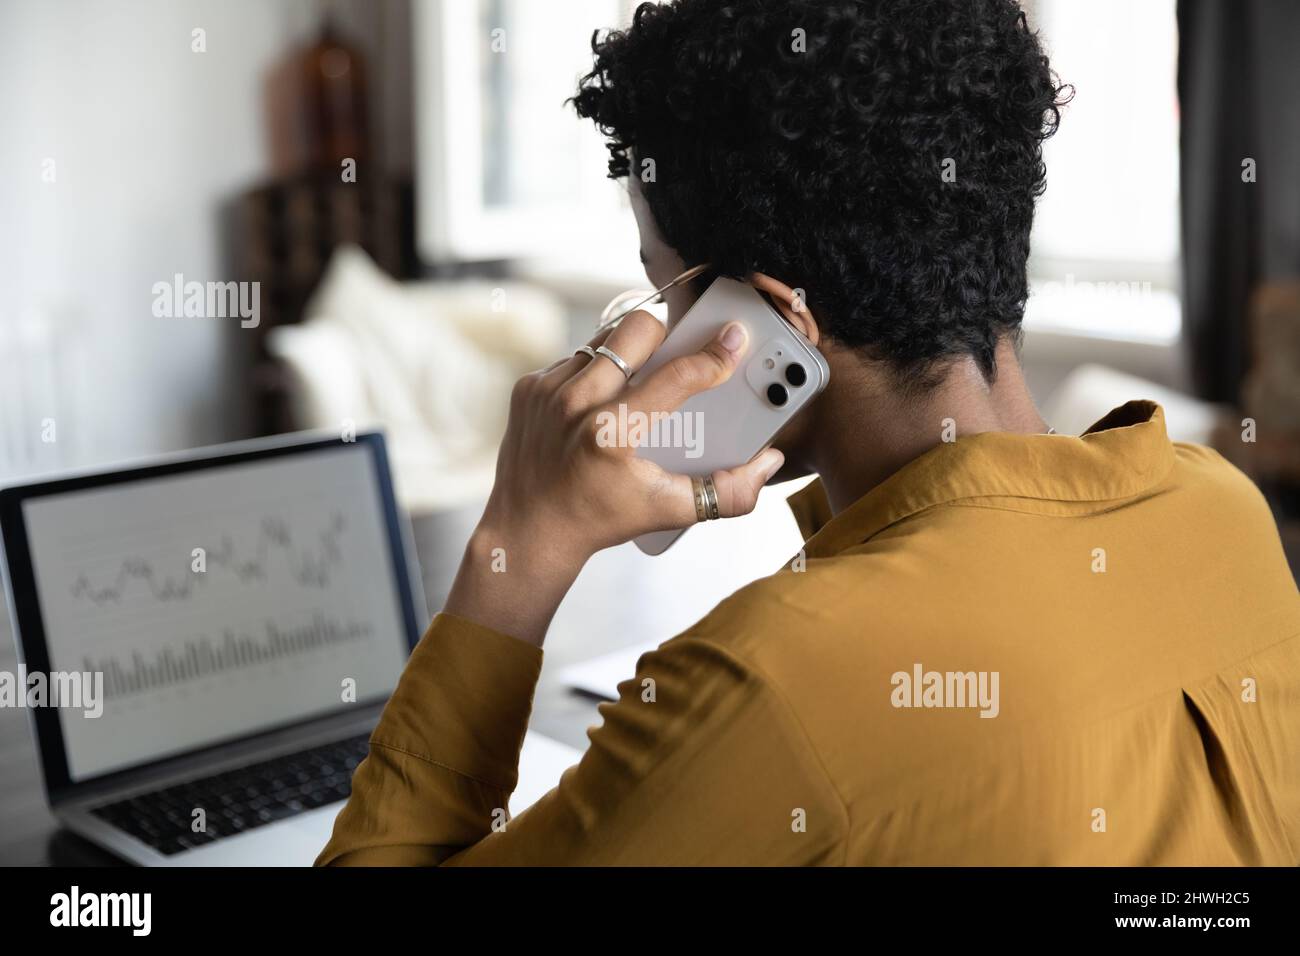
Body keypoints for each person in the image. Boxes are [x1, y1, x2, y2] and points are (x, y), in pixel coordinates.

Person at [317, 0, 1300, 865]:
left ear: (775, 323)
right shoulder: (1219, 508)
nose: (654, 325)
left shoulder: (768, 683)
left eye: (664, 285)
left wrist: (518, 542)